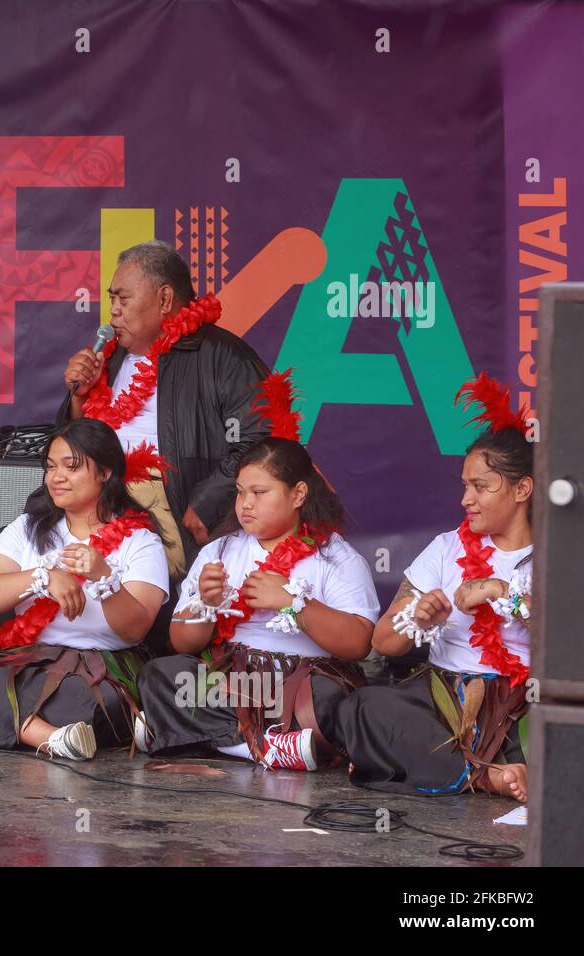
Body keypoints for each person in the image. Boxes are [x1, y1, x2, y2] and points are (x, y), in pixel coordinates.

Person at [135, 372, 379, 771]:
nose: (245, 504)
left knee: (332, 700)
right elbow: (182, 641)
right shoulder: (220, 550)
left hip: (298, 686)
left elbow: (357, 645)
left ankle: (183, 734)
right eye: (240, 493)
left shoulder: (336, 556)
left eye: (260, 493)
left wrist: (294, 603)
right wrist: (206, 605)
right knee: (166, 674)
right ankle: (262, 749)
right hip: (232, 682)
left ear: (298, 494)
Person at [329, 374, 533, 802]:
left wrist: (502, 591)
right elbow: (383, 641)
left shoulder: (560, 554)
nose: (466, 499)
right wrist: (415, 616)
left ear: (522, 489)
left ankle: (487, 766)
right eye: (465, 485)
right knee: (365, 708)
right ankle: (486, 777)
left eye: (481, 487)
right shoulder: (446, 548)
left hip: (520, 705)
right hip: (443, 698)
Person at [0, 419, 168, 760]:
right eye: (50, 467)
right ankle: (50, 737)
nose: (56, 477)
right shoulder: (26, 528)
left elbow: (136, 627)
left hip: (100, 666)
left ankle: (8, 726)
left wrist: (104, 577)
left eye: (71, 467)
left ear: (106, 472)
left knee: (80, 696)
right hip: (31, 660)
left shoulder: (141, 541)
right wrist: (42, 576)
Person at [57, 241, 269, 584]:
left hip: (165, 495)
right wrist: (80, 398)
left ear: (165, 300)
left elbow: (263, 440)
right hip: (95, 490)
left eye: (123, 300)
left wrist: (208, 500)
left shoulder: (223, 356)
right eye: (112, 300)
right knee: (25, 548)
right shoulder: (107, 360)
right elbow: (71, 449)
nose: (113, 312)